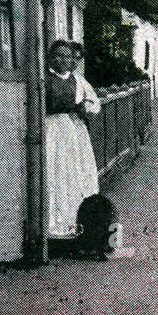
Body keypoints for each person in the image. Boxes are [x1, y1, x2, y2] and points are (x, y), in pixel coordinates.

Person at [45, 40, 102, 241]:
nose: (63, 60)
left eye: (67, 56)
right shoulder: (44, 79)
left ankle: (73, 221)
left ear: (73, 60)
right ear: (51, 58)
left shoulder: (78, 81)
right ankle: (53, 224)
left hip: (74, 132)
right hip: (51, 130)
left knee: (73, 173)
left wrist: (86, 107)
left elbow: (95, 103)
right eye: (58, 55)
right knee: (54, 172)